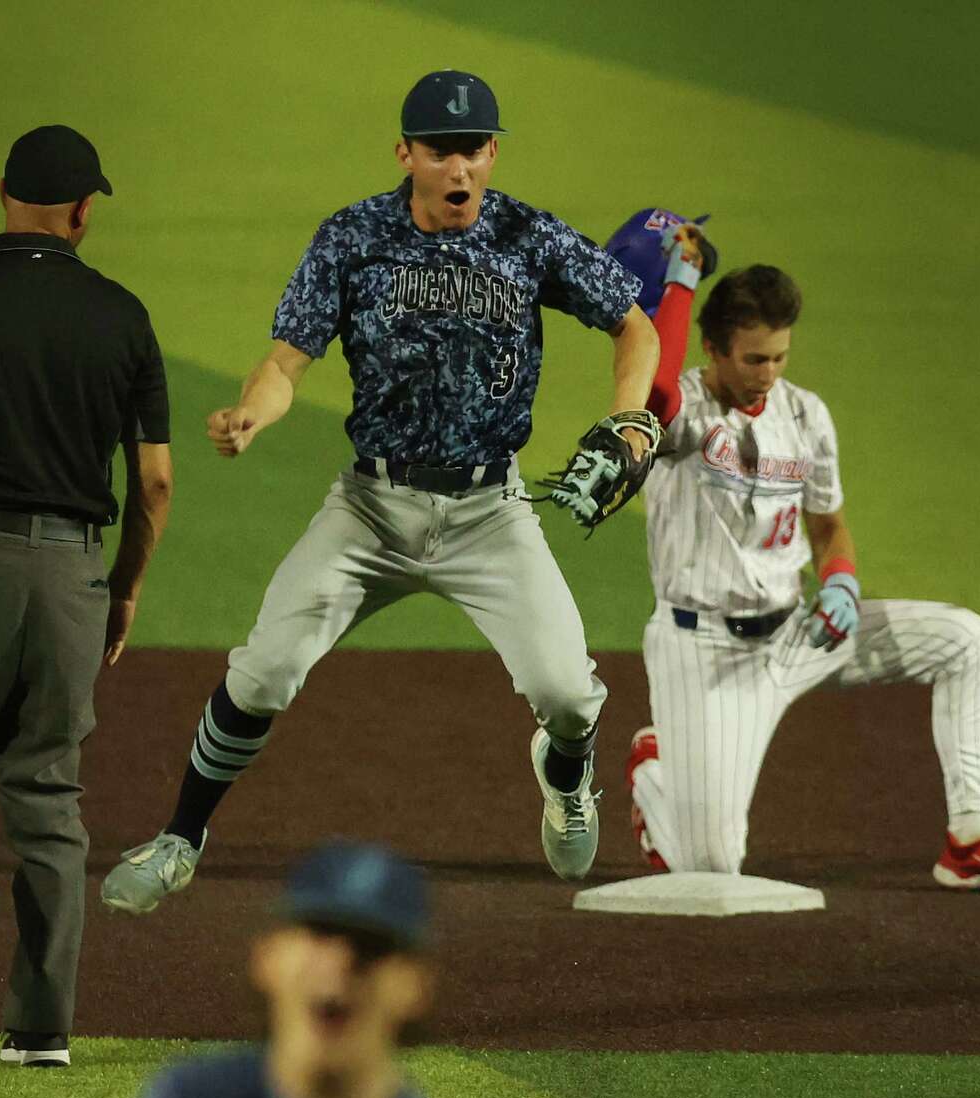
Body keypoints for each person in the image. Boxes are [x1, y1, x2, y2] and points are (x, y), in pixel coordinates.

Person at [101, 69, 659, 916]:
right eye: (442, 150)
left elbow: (635, 321)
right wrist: (253, 411)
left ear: (493, 153)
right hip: (368, 510)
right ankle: (180, 837)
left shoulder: (527, 237)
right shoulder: (353, 236)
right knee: (262, 674)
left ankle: (566, 775)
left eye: (475, 149)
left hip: (488, 513)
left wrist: (628, 421)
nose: (460, 167)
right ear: (407, 153)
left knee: (570, 698)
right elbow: (290, 358)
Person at [608, 213, 980, 892]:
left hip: (799, 633)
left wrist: (841, 582)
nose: (768, 373)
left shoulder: (804, 414)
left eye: (779, 356)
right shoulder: (685, 410)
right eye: (753, 359)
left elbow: (828, 525)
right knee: (712, 871)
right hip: (705, 655)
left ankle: (973, 839)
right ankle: (660, 772)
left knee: (965, 640)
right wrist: (681, 279)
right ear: (713, 349)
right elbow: (648, 394)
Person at [0, 125, 173, 1064]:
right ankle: (40, 1029)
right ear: (84, 211)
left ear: (3, 193)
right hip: (75, 574)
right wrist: (120, 591)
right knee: (46, 794)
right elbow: (154, 482)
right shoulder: (122, 315)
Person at [128, 841, 494, 1098]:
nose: (339, 962)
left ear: (416, 987)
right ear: (267, 957)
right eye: (319, 933)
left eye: (371, 946)